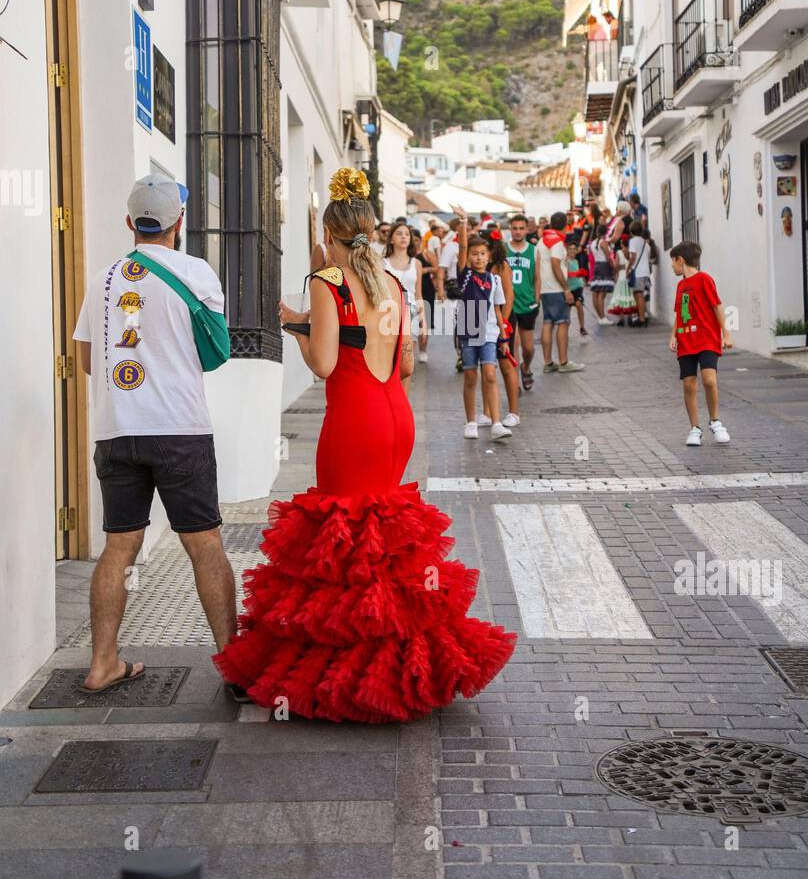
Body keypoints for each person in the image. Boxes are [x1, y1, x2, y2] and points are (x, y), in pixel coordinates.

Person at [216, 169, 516, 718]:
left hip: (353, 419)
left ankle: (350, 677)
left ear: (330, 236)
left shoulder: (326, 280)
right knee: (385, 548)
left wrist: (297, 329)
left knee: (342, 549)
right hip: (396, 417)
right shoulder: (393, 284)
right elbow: (403, 364)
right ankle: (408, 666)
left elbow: (325, 363)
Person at [72, 176, 237, 694]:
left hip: (115, 430)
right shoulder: (196, 272)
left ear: (130, 224)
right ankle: (234, 667)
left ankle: (102, 664)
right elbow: (214, 351)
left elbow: (85, 360)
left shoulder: (103, 278)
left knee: (119, 545)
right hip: (180, 429)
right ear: (178, 224)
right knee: (205, 543)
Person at [454, 209, 512, 442]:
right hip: (469, 329)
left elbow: (497, 309)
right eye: (474, 254)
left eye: (482, 254)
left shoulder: (495, 279)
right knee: (470, 376)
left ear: (489, 256)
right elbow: (461, 247)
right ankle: (470, 422)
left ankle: (497, 422)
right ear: (469, 258)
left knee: (489, 373)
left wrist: (504, 337)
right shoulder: (465, 275)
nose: (478, 257)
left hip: (489, 332)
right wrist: (464, 222)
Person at [668, 241, 733, 448]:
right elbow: (679, 312)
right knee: (689, 383)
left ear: (681, 260)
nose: (672, 266)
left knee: (709, 380)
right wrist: (673, 335)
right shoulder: (680, 286)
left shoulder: (705, 279)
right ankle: (695, 428)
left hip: (707, 338)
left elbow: (717, 306)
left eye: (673, 262)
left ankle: (715, 422)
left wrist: (726, 333)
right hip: (686, 340)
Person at [539, 212, 585, 375]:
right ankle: (564, 361)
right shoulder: (557, 242)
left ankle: (548, 362)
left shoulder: (542, 240)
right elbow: (555, 264)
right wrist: (566, 289)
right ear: (566, 224)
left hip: (545, 288)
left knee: (548, 323)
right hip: (556, 288)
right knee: (563, 322)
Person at [486, 235, 521, 429]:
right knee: (488, 367)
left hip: (502, 321)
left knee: (507, 364)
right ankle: (487, 413)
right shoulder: (480, 267)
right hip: (486, 322)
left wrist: (504, 326)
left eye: (484, 249)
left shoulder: (501, 266)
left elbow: (509, 296)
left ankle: (514, 412)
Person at [506, 214, 541, 393]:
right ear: (510, 229)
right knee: (513, 344)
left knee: (528, 347)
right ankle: (515, 383)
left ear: (527, 229)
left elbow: (537, 278)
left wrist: (536, 299)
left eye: (521, 228)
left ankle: (525, 367)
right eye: (515, 228)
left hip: (527, 303)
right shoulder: (504, 250)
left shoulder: (533, 250)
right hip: (509, 304)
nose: (518, 232)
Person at [385, 223, 427, 367]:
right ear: (391, 239)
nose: (403, 236)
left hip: (412, 315)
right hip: (388, 316)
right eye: (399, 233)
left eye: (407, 234)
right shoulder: (381, 263)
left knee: (406, 365)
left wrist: (423, 322)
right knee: (389, 363)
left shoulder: (417, 264)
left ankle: (404, 391)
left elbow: (419, 294)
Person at [589, 212, 617, 326]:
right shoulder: (603, 242)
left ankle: (599, 316)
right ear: (606, 232)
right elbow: (608, 257)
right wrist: (613, 267)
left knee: (596, 292)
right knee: (601, 293)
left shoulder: (592, 243)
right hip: (604, 266)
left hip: (596, 266)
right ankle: (602, 317)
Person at [413, 228, 440, 341]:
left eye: (416, 240)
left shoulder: (426, 253)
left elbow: (436, 268)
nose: (414, 242)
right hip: (412, 287)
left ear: (420, 240)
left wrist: (424, 270)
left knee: (425, 319)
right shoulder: (406, 254)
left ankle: (423, 350)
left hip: (426, 287)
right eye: (412, 240)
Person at [628, 225, 655, 328]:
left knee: (638, 295)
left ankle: (642, 319)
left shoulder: (633, 241)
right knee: (640, 295)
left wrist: (628, 268)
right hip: (645, 272)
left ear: (631, 232)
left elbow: (633, 257)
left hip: (638, 272)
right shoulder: (646, 243)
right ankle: (642, 317)